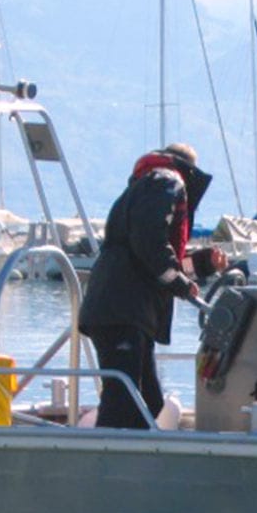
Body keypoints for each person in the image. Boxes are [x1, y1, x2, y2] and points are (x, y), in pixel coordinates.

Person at [79, 142, 212, 427]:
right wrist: (176, 281)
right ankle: (109, 461)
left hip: (123, 308)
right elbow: (149, 240)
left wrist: (200, 266)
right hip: (123, 310)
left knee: (147, 400)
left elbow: (147, 249)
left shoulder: (145, 184)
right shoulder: (166, 180)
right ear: (189, 169)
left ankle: (144, 456)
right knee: (123, 397)